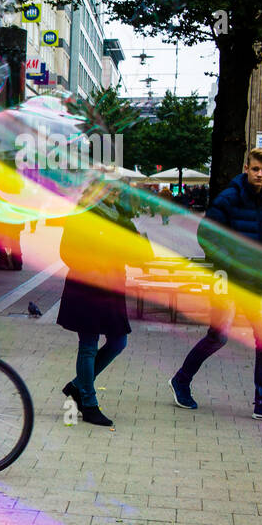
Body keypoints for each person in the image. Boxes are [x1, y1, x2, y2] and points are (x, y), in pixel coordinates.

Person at [170, 147, 262, 419]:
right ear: (246, 169)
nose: (260, 174)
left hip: (259, 284)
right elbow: (207, 236)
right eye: (255, 169)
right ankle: (181, 380)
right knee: (218, 337)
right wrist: (230, 264)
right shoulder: (229, 198)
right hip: (228, 281)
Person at [55, 177, 152, 427]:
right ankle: (88, 403)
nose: (112, 194)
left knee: (119, 342)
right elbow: (66, 251)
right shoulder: (81, 215)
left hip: (112, 289)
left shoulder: (121, 218)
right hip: (87, 289)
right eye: (107, 189)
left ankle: (77, 386)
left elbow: (140, 256)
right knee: (88, 346)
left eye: (116, 191)